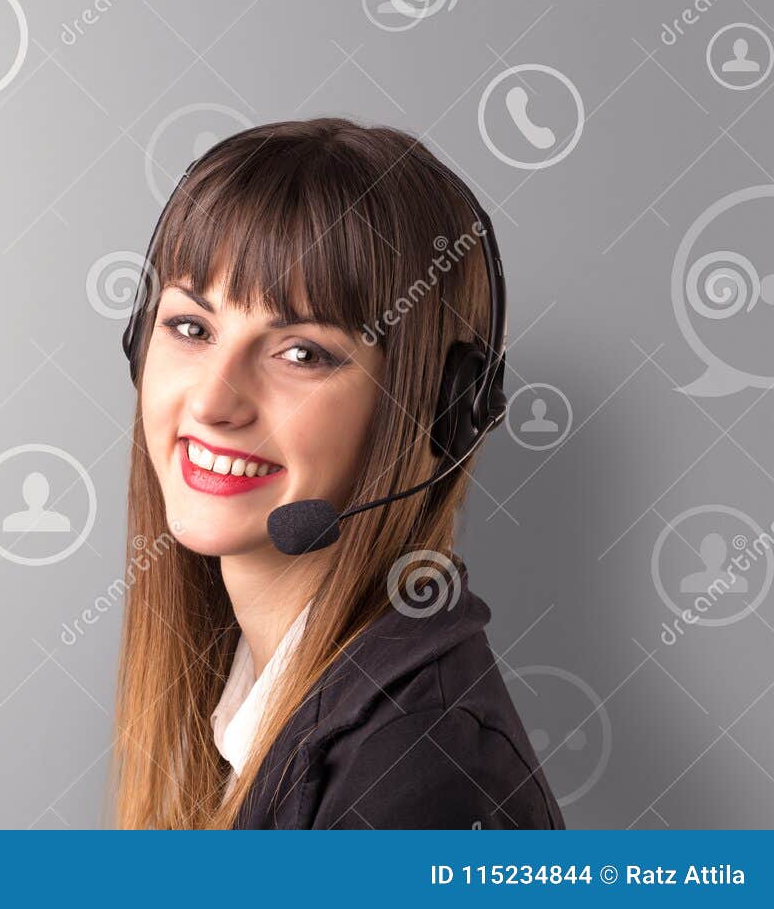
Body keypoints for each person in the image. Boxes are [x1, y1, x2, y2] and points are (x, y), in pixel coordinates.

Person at [113, 117, 564, 830]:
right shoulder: (265, 705)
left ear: (440, 409)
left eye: (301, 353)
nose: (212, 403)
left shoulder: (418, 777)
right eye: (192, 328)